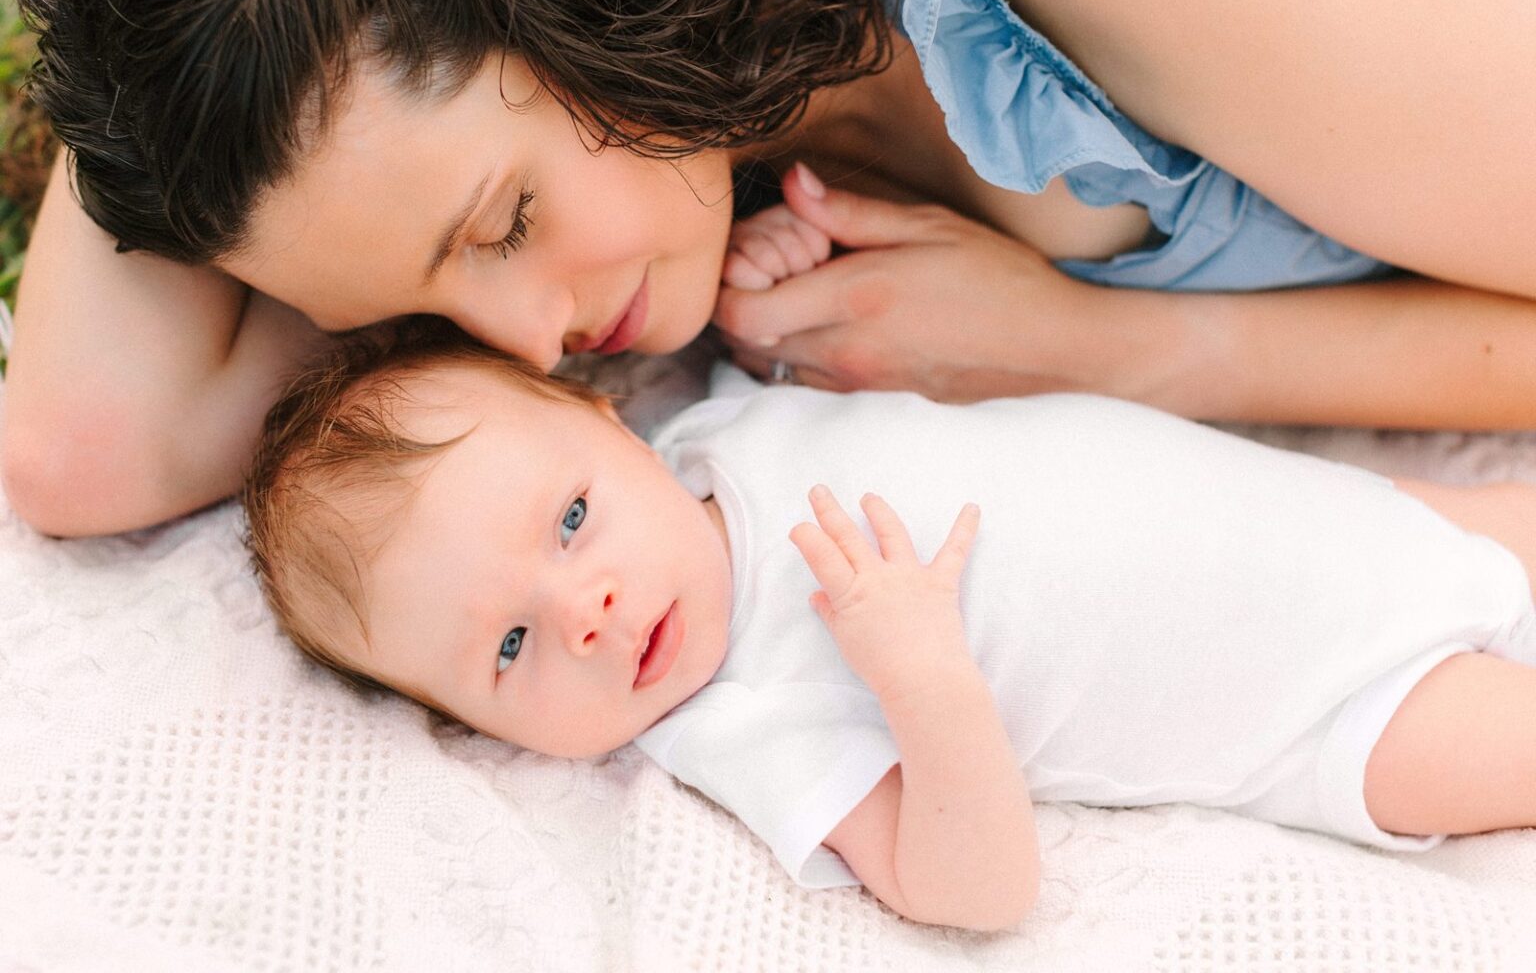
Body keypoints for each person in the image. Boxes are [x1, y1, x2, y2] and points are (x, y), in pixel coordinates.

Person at [11, 0, 1536, 538]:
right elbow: (91, 451)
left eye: (507, 226)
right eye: (432, 302)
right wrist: (196, 30)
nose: (535, 348)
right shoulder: (682, 123)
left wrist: (1123, 353)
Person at [243, 327, 1536, 932]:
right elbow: (972, 891)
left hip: (1359, 517)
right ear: (469, 726)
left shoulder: (721, 433)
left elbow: (854, 368)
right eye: (510, 651)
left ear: (607, 421)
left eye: (572, 520)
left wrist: (784, 297)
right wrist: (925, 679)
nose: (585, 614)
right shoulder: (737, 716)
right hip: (1333, 711)